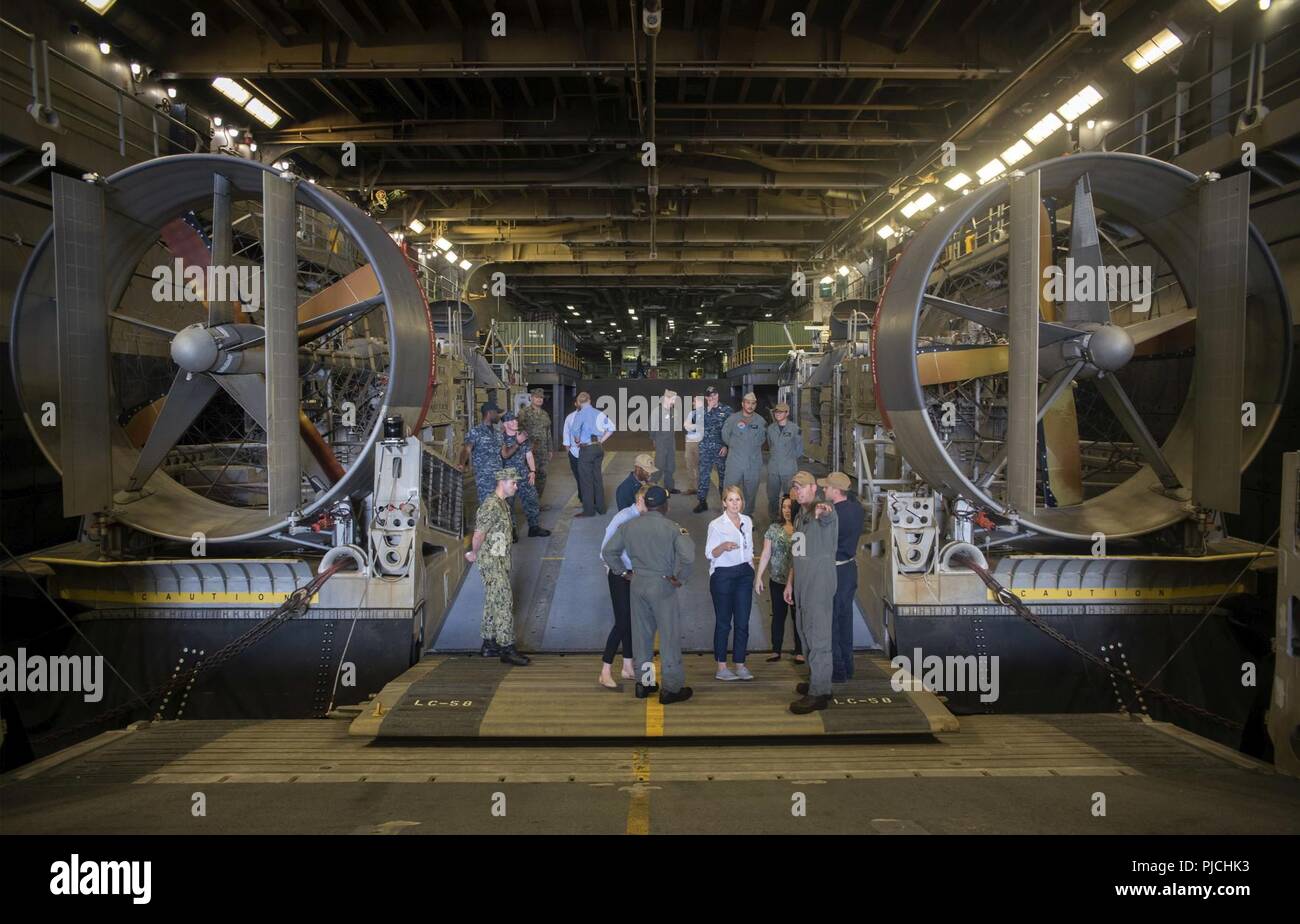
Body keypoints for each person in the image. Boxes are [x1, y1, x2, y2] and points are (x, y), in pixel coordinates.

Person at [601, 485, 695, 704]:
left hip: (638, 584)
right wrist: (679, 579)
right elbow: (688, 557)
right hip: (662, 585)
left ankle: (645, 683)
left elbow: (608, 552)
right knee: (669, 637)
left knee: (642, 637)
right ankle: (671, 688)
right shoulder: (673, 528)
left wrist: (623, 572)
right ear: (665, 506)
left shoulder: (629, 526)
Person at [465, 470, 530, 665]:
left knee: (493, 599)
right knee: (503, 601)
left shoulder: (503, 505)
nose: (516, 487)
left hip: (500, 560)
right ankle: (507, 648)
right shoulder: (491, 505)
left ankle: (489, 643)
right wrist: (474, 553)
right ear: (502, 482)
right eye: (513, 483)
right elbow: (478, 535)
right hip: (491, 561)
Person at [785, 471, 837, 714]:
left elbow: (826, 515)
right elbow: (796, 553)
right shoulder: (799, 516)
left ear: (814, 488)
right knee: (805, 633)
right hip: (802, 582)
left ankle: (820, 692)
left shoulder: (823, 510)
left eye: (803, 487)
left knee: (819, 637)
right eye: (795, 487)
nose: (798, 491)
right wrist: (789, 584)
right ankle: (817, 680)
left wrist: (823, 512)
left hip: (819, 582)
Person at [705, 484, 755, 681]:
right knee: (724, 622)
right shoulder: (716, 525)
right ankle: (722, 666)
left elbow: (749, 547)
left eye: (738, 499)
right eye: (731, 500)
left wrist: (752, 570)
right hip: (723, 575)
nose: (735, 503)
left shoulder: (747, 521)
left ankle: (741, 664)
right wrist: (723, 546)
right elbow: (709, 553)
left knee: (742, 621)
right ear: (724, 503)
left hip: (744, 573)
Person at [599, 487, 647, 689]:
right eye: (648, 501)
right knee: (622, 622)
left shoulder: (641, 518)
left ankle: (627, 665)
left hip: (631, 574)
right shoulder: (624, 518)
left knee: (629, 621)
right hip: (620, 573)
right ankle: (605, 671)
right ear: (639, 500)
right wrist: (622, 572)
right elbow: (605, 550)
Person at [821, 472, 864, 684]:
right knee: (846, 620)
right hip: (850, 570)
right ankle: (849, 665)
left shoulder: (832, 515)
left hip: (834, 571)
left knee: (832, 623)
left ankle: (837, 671)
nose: (823, 490)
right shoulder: (857, 510)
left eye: (827, 487)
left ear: (836, 491)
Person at [755, 494, 803, 664]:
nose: (787, 510)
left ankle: (800, 650)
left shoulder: (800, 530)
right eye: (784, 507)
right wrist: (759, 576)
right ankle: (776, 649)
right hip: (776, 579)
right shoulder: (774, 529)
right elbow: (766, 553)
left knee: (798, 616)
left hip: (797, 581)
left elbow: (799, 557)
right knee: (778, 616)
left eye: (790, 507)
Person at [499, 412, 552, 540]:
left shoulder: (523, 436)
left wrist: (532, 471)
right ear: (505, 424)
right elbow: (504, 455)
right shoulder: (501, 438)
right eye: (512, 421)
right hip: (507, 474)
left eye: (516, 420)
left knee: (531, 499)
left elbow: (528, 454)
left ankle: (534, 528)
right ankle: (511, 532)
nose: (515, 422)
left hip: (523, 472)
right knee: (507, 504)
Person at [720, 392, 766, 518]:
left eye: (753, 403)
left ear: (755, 405)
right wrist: (736, 446)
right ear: (742, 404)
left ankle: (747, 516)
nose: (750, 406)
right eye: (747, 403)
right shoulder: (733, 419)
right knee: (730, 490)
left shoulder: (760, 421)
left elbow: (762, 439)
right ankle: (727, 517)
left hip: (753, 463)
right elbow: (725, 435)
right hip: (735, 462)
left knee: (751, 491)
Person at [572, 391, 612, 517]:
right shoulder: (599, 413)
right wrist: (601, 440)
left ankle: (589, 511)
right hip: (598, 449)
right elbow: (612, 428)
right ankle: (601, 508)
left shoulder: (580, 414)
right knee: (597, 478)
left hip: (587, 449)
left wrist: (578, 441)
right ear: (590, 400)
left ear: (579, 402)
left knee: (586, 480)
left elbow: (574, 431)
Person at [693, 386, 732, 514]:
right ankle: (702, 502)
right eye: (709, 396)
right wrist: (708, 410)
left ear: (718, 395)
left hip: (721, 450)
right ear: (706, 398)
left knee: (723, 477)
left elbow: (732, 431)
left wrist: (727, 445)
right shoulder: (701, 411)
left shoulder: (727, 410)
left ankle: (726, 504)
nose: (712, 398)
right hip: (705, 450)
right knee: (703, 476)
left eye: (714, 395)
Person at [459, 401, 503, 504]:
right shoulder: (476, 432)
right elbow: (466, 449)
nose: (498, 416)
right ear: (489, 413)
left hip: (499, 475)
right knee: (486, 505)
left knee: (499, 504)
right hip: (485, 477)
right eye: (496, 413)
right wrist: (461, 464)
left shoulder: (497, 433)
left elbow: (502, 453)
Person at [765, 403, 803, 521]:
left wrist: (788, 458)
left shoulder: (795, 429)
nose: (778, 414)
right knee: (772, 497)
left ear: (787, 413)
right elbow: (771, 445)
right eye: (776, 412)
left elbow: (799, 450)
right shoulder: (770, 429)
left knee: (790, 495)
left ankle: (789, 520)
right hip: (773, 469)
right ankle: (773, 520)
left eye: (781, 412)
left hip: (789, 469)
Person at [516, 388, 552, 500]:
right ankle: (529, 503)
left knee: (542, 476)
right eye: (537, 397)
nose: (539, 399)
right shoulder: (523, 413)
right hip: (529, 451)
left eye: (541, 397)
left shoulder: (545, 414)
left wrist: (550, 449)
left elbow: (548, 432)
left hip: (543, 451)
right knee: (529, 476)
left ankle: (536, 501)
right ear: (531, 398)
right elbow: (518, 430)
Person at [651, 390, 679, 493]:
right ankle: (651, 487)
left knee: (671, 465)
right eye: (673, 400)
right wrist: (655, 440)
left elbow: (675, 427)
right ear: (667, 398)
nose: (674, 402)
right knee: (659, 465)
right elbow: (652, 428)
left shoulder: (674, 411)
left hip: (671, 442)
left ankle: (669, 487)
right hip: (661, 441)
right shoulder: (656, 411)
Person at [684, 395, 704, 493]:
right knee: (689, 465)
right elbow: (686, 426)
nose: (693, 403)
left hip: (699, 443)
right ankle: (692, 487)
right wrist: (695, 426)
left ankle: (701, 487)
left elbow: (702, 427)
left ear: (700, 402)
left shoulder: (706, 413)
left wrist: (692, 426)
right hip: (689, 442)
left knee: (699, 466)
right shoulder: (691, 413)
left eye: (694, 401)